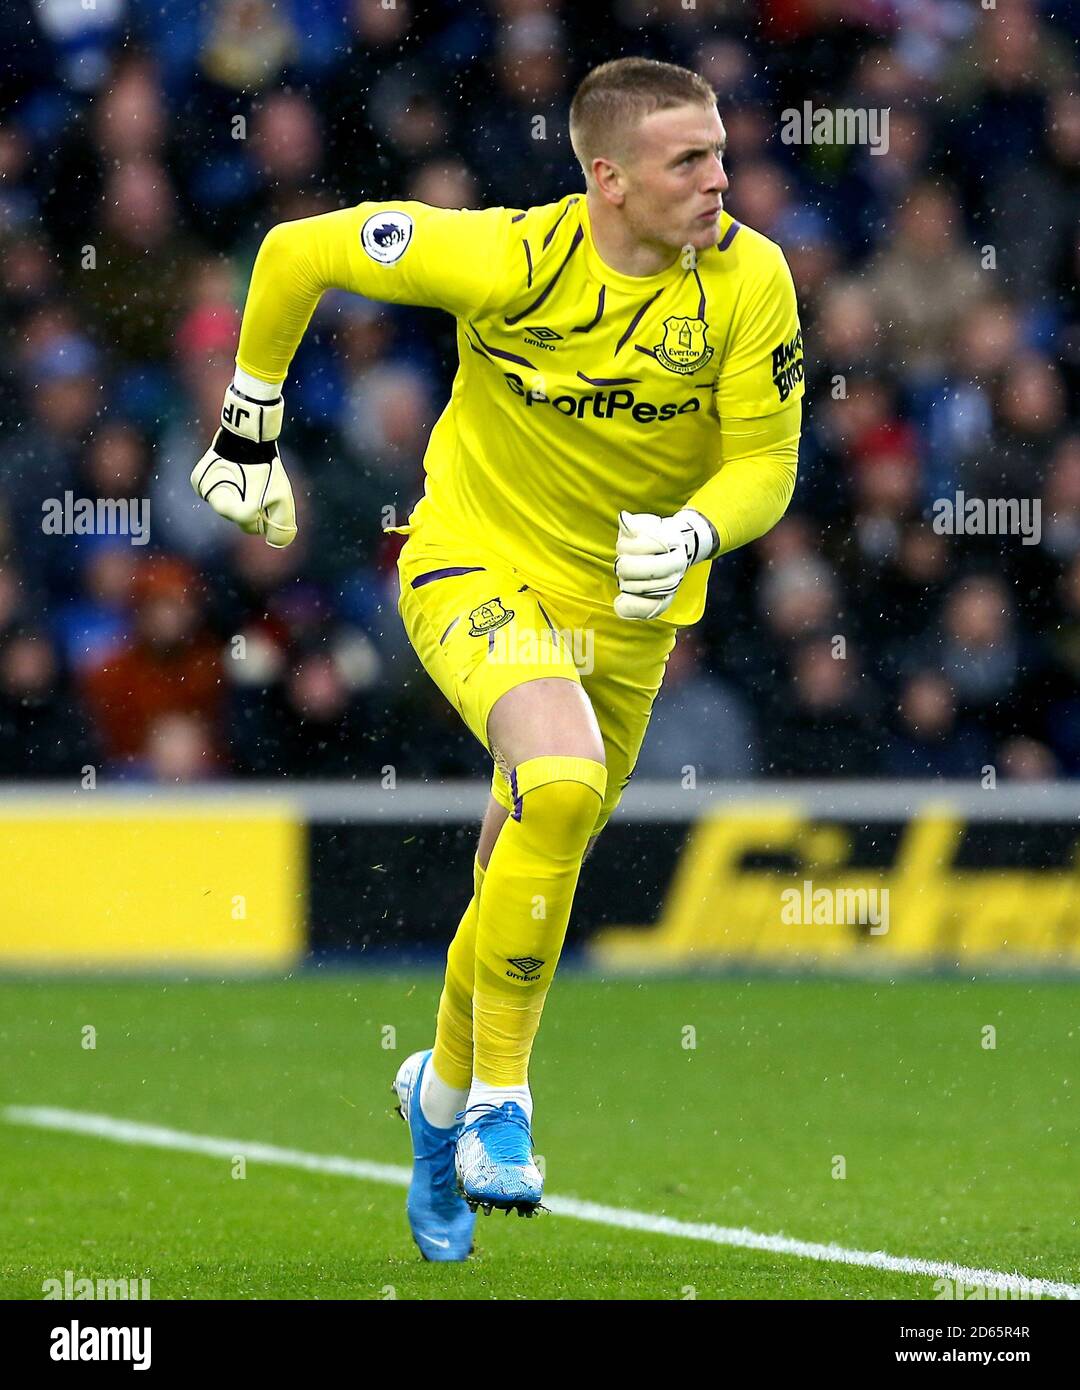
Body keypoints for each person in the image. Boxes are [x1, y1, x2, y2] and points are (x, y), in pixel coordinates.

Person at [189, 57, 805, 1260]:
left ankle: (433, 1098)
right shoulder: (508, 258)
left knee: (532, 844)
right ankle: (500, 1110)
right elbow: (296, 252)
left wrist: (694, 528)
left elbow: (767, 467)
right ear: (609, 179)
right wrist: (247, 430)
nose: (719, 180)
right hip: (472, 565)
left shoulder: (752, 281)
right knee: (563, 782)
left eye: (722, 153)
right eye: (690, 161)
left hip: (626, 622)